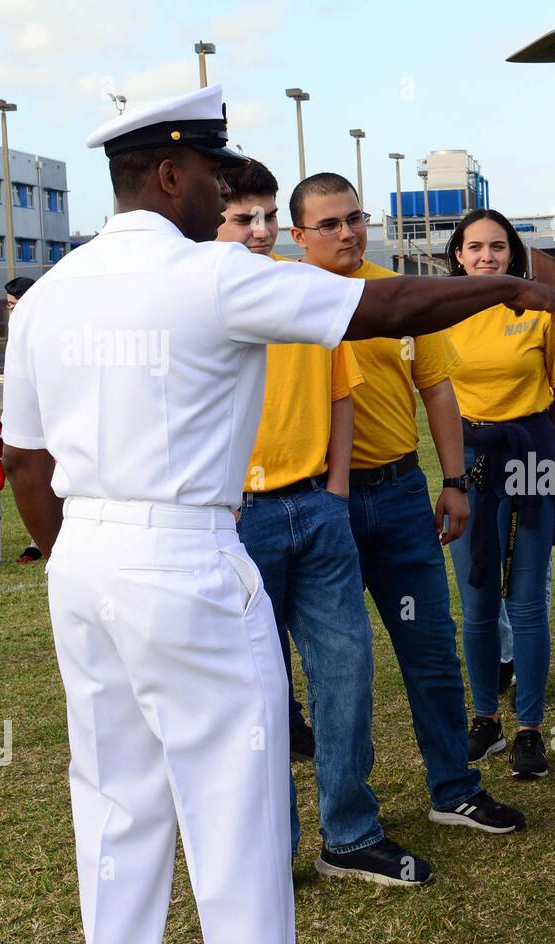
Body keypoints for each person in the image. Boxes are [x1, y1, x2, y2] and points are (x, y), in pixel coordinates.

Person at [1, 85, 555, 944]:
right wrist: (503, 285)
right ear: (167, 174)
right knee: (237, 806)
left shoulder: (48, 293)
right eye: (213, 174)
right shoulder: (212, 273)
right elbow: (379, 309)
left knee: (115, 801)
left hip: (82, 557)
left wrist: (77, 557)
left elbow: (25, 464)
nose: (224, 195)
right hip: (184, 551)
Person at [286, 170, 525, 838]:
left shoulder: (397, 293)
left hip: (396, 494)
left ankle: (454, 787)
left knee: (430, 649)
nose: (346, 232)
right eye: (328, 224)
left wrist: (454, 480)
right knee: (340, 671)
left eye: (354, 217)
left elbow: (439, 389)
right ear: (297, 234)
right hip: (314, 504)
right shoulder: (282, 295)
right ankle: (345, 818)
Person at [445, 208, 555, 779]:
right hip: (468, 463)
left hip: (531, 454)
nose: (486, 256)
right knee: (476, 604)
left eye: (497, 246)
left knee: (527, 603)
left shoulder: (541, 311)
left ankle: (529, 728)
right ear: (457, 254)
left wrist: (537, 450)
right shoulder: (440, 316)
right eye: (474, 246)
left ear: (513, 254)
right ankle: (485, 719)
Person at [214, 158, 314, 764]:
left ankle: (303, 727)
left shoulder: (298, 284)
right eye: (243, 217)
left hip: (309, 494)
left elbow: (340, 388)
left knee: (334, 646)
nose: (260, 229)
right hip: (232, 507)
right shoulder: (189, 292)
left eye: (271, 216)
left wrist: (329, 486)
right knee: (255, 642)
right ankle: (280, 724)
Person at [3, 277, 44, 565]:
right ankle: (38, 540)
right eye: (8, 306)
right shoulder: (14, 333)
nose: (12, 311)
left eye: (16, 305)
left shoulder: (44, 330)